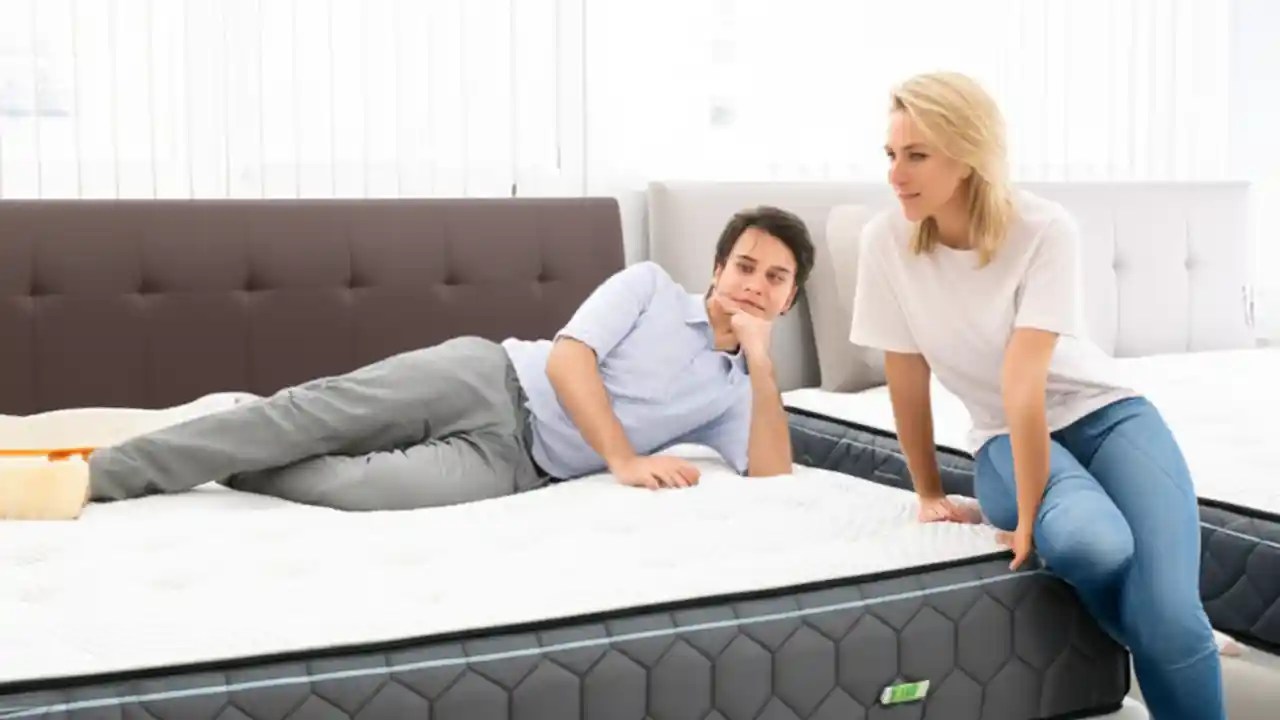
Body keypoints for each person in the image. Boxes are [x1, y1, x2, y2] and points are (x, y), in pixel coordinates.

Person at [0, 206, 815, 519]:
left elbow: (771, 473)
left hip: (514, 465)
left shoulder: (734, 386)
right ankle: (87, 478)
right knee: (305, 418)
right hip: (488, 377)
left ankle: (223, 433)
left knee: (351, 489)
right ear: (716, 268)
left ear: (789, 302)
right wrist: (625, 459)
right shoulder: (645, 286)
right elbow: (571, 364)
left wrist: (765, 369)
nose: (753, 284)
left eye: (775, 279)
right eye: (744, 265)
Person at [848, 71, 1224, 718]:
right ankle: (1162, 638)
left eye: (915, 155)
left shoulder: (1044, 227)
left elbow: (1025, 378)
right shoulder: (885, 242)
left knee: (1170, 618)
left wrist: (1024, 517)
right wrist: (931, 493)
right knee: (1089, 543)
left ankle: (1165, 637)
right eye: (890, 154)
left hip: (1109, 416)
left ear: (966, 156)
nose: (894, 173)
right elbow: (906, 376)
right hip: (1000, 434)